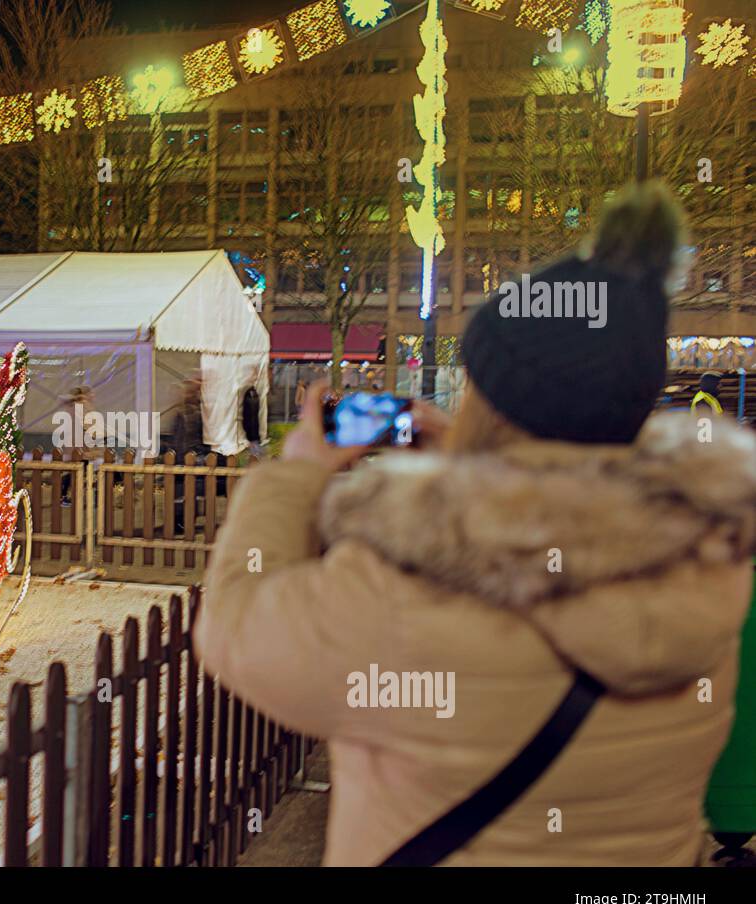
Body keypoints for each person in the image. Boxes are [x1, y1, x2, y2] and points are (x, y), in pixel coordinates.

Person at [195, 181, 756, 866]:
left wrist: (296, 471)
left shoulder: (410, 593)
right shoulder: (706, 569)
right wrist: (477, 475)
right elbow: (567, 503)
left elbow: (234, 626)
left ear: (491, 403)